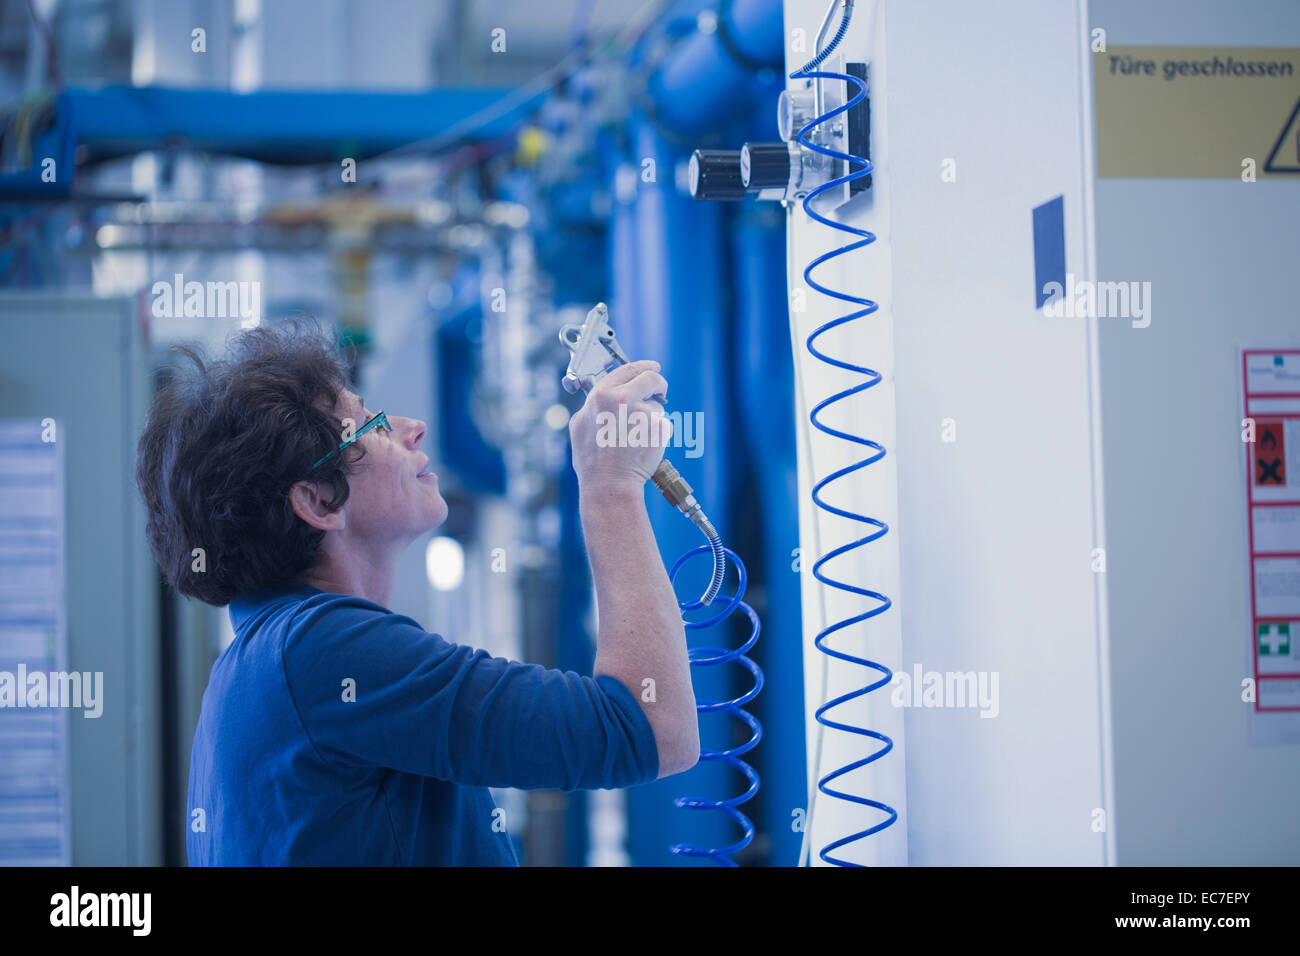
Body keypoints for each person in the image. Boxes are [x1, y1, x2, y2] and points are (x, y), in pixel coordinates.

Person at [135, 321, 698, 865]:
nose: (413, 427)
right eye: (371, 425)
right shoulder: (321, 652)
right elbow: (649, 727)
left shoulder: (265, 662)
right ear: (317, 502)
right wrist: (610, 484)